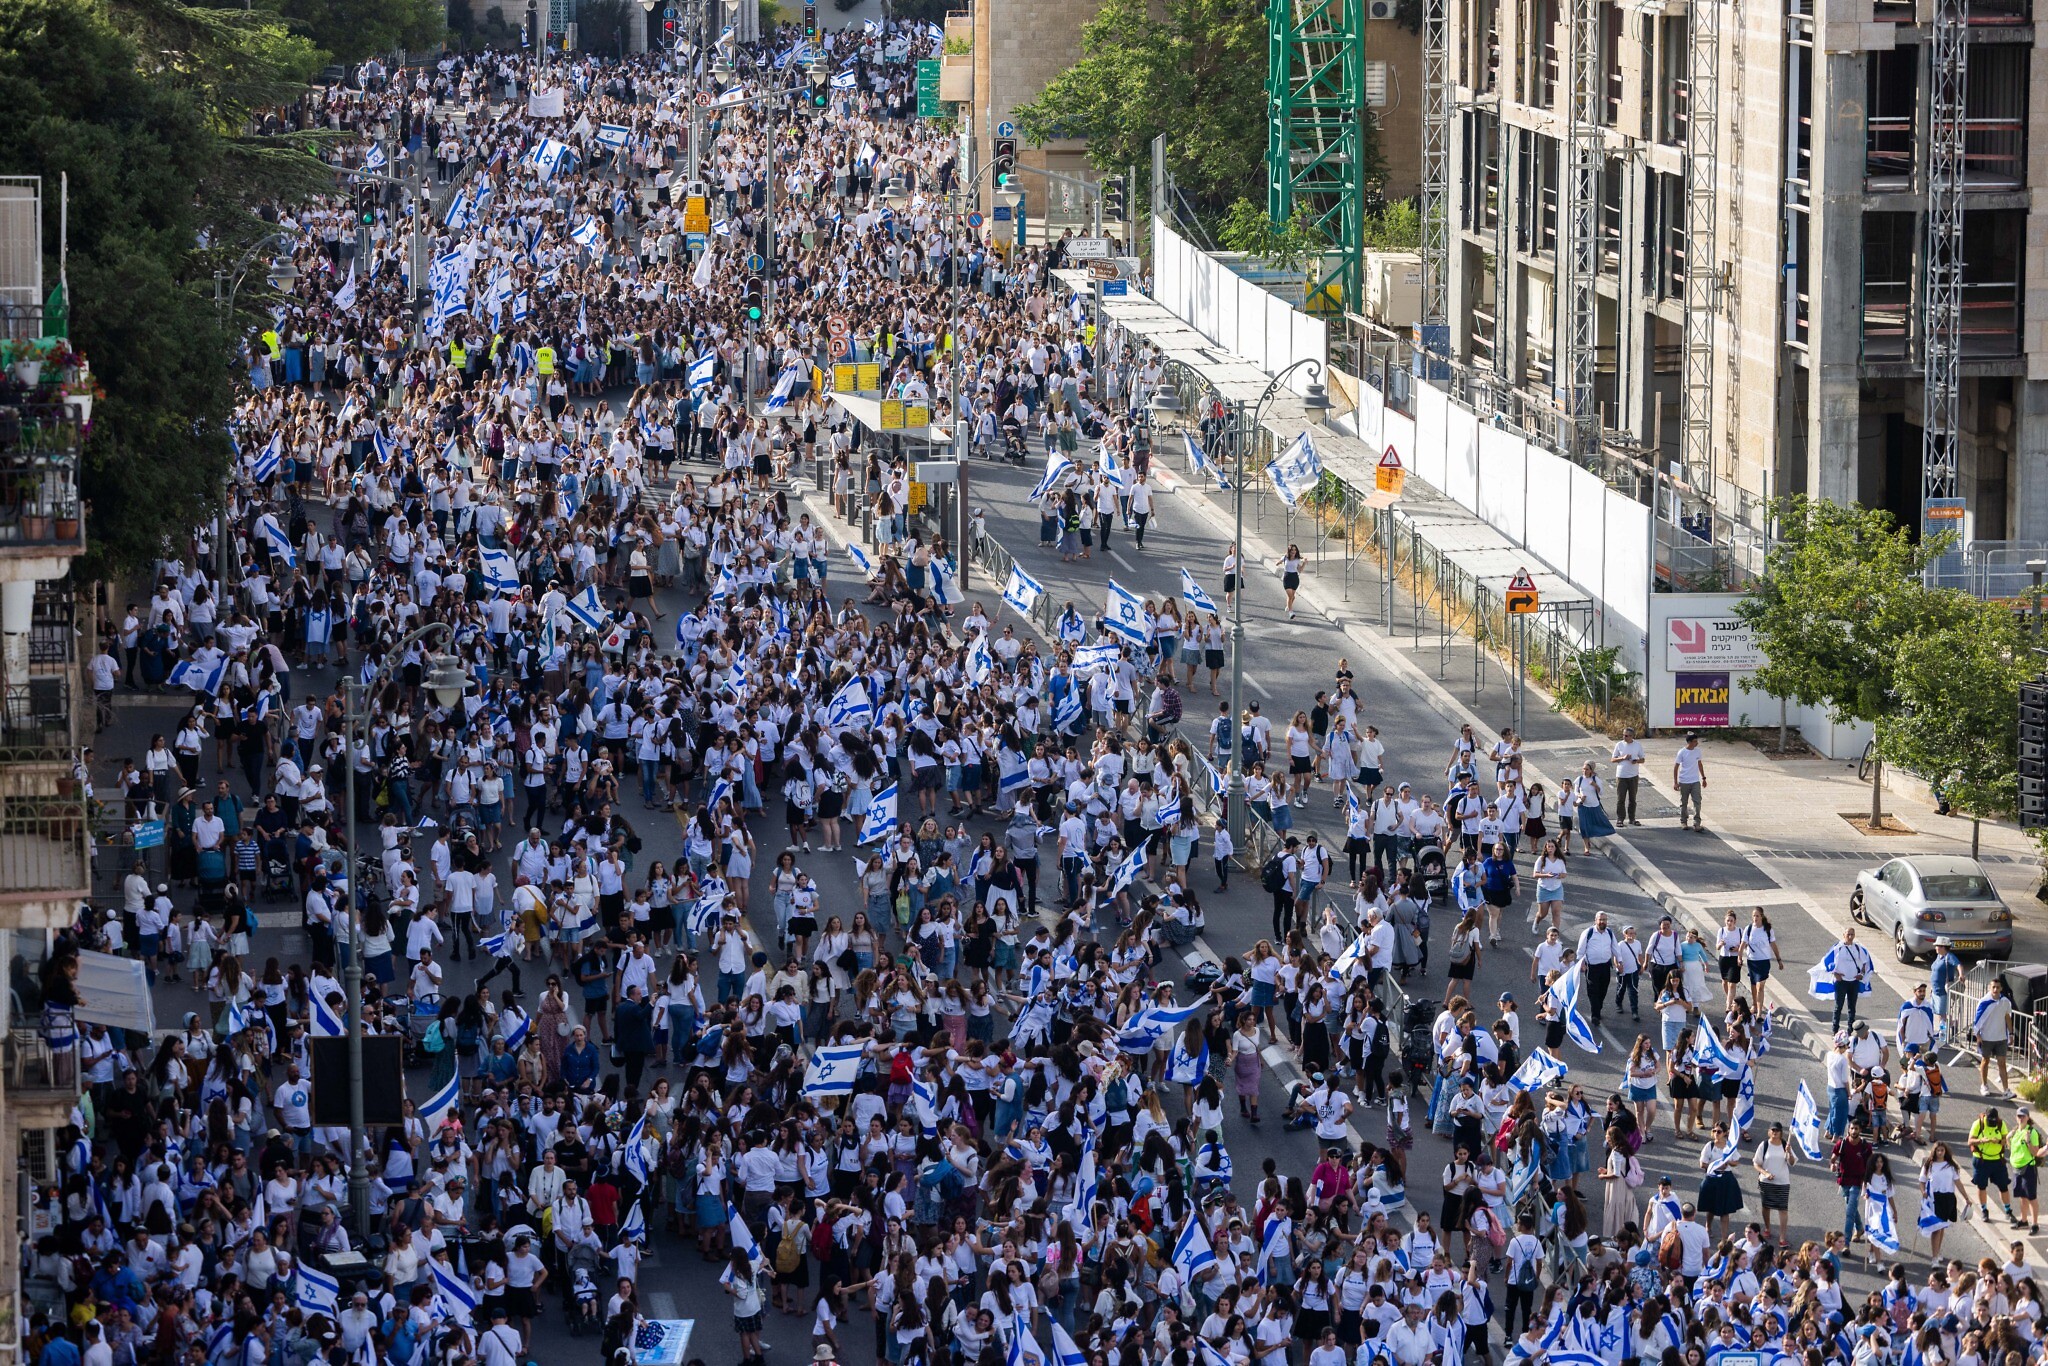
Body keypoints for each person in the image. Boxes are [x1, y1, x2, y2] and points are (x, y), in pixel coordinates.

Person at [1969, 1105, 2017, 1226]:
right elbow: (1970, 1141)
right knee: (1981, 1186)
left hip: (1997, 1160)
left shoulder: (2001, 1124)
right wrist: (1981, 1141)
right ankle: (1984, 1210)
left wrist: (1999, 1141)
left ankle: (2008, 1210)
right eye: (1990, 1121)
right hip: (1981, 1160)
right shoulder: (1978, 1124)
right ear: (1986, 1116)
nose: (1992, 1123)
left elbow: (2006, 1140)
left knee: (2003, 1185)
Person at [1972, 976, 2016, 1097]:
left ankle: (2006, 1090)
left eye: (1997, 987)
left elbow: (2007, 1018)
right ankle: (1984, 1085)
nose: (1995, 989)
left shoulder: (2005, 1002)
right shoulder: (1984, 1002)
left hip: (2001, 1038)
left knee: (2002, 1063)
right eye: (1993, 987)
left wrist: (2011, 1034)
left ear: (2001, 988)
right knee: (1985, 1061)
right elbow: (1978, 1020)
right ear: (1989, 988)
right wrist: (1978, 1035)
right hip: (1986, 1038)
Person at [1672, 732, 1707, 831]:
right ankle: (1683, 821)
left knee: (1697, 802)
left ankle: (1697, 823)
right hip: (1684, 781)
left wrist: (1704, 778)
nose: (1697, 743)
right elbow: (1676, 767)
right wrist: (1675, 782)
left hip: (1695, 781)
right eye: (1695, 741)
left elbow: (1700, 764)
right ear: (1690, 742)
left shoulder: (1698, 751)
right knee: (1684, 802)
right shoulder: (1682, 752)